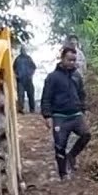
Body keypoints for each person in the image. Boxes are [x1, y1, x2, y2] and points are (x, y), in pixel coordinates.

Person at [41, 46, 91, 180]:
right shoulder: (53, 77)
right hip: (60, 117)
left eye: (74, 60)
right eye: (69, 60)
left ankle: (72, 155)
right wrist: (47, 116)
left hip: (75, 115)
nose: (72, 63)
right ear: (62, 58)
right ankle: (63, 174)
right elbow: (46, 97)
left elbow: (81, 94)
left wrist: (83, 109)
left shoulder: (76, 76)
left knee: (86, 134)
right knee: (60, 146)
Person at [13, 46, 37, 113]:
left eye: (24, 50)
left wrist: (31, 75)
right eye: (22, 50)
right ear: (20, 51)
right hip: (20, 80)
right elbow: (13, 68)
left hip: (28, 80)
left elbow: (34, 67)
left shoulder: (29, 58)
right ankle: (21, 109)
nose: (23, 51)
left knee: (31, 95)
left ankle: (32, 109)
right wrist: (16, 75)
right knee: (20, 95)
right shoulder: (17, 59)